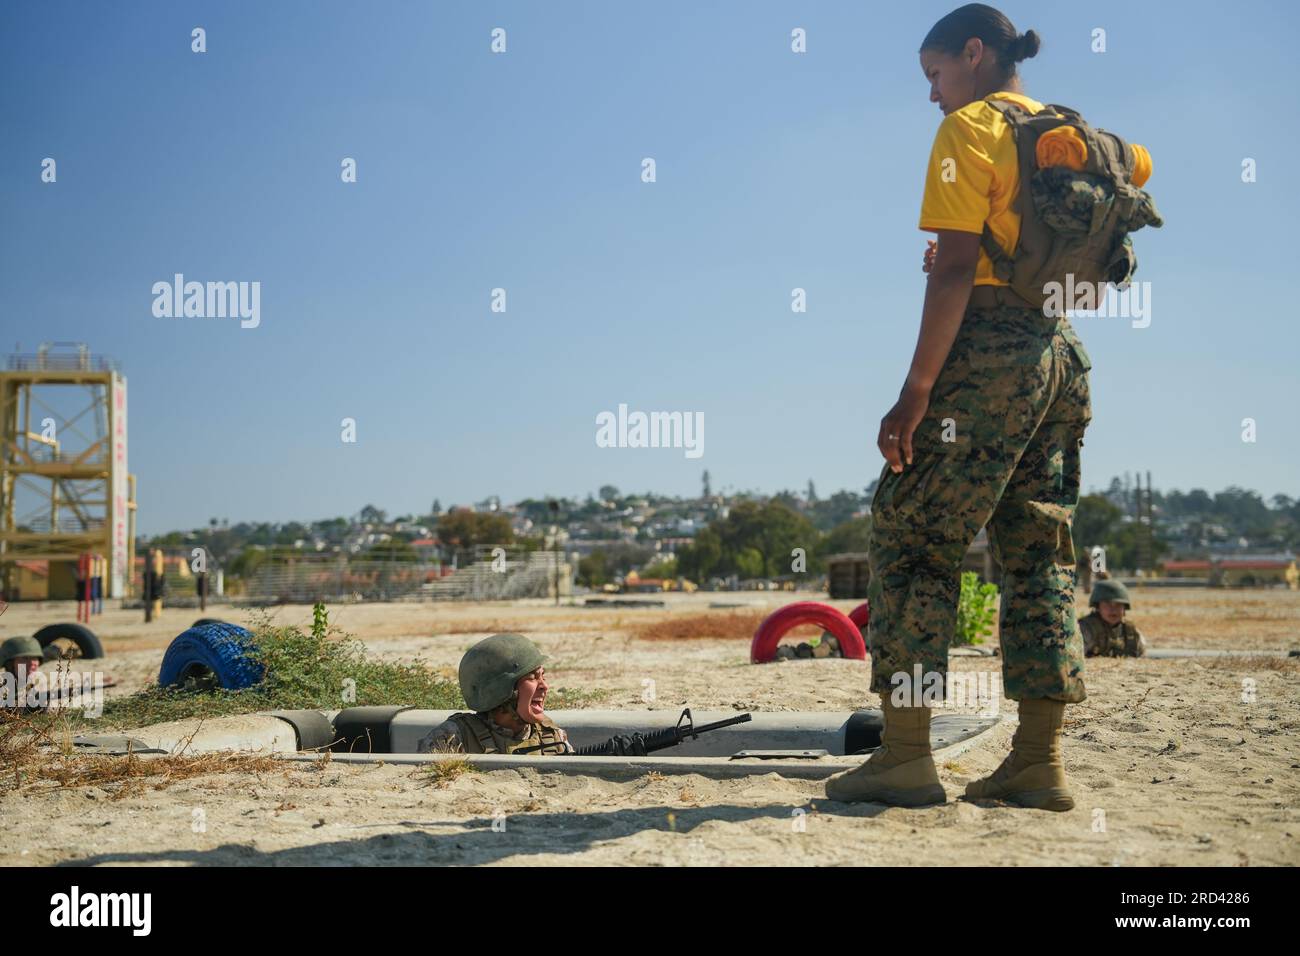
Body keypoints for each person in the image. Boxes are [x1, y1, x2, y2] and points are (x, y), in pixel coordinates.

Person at [826, 4, 1154, 812]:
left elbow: (952, 272)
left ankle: (904, 757)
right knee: (1038, 551)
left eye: (934, 75)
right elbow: (1080, 282)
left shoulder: (971, 129)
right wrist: (989, 271)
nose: (931, 96)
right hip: (1061, 358)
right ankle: (1036, 763)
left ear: (973, 55)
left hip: (985, 358)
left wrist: (913, 395)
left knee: (912, 537)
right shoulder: (1066, 136)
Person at [417, 633, 572, 755]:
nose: (544, 686)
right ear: (501, 690)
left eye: (543, 676)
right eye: (532, 677)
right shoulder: (453, 738)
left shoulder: (551, 737)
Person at [1079, 578, 1146, 657]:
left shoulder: (1131, 632)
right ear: (1097, 607)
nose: (1113, 609)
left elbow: (1141, 656)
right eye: (1107, 604)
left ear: (1124, 608)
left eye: (1118, 604)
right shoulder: (1085, 630)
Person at [1, 635, 44, 710]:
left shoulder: (37, 685)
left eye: (34, 658)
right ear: (10, 664)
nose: (32, 663)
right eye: (25, 658)